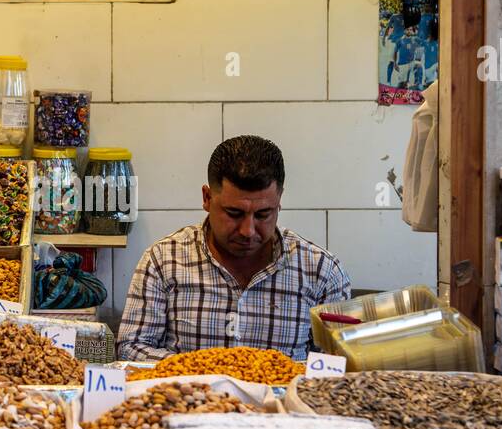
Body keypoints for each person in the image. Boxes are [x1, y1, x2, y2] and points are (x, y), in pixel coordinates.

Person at [117, 135, 352, 361]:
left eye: (263, 214)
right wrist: (205, 373)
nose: (247, 230)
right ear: (207, 198)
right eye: (234, 213)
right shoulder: (163, 261)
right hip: (192, 398)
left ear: (279, 201)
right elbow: (131, 347)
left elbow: (338, 363)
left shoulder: (322, 272)